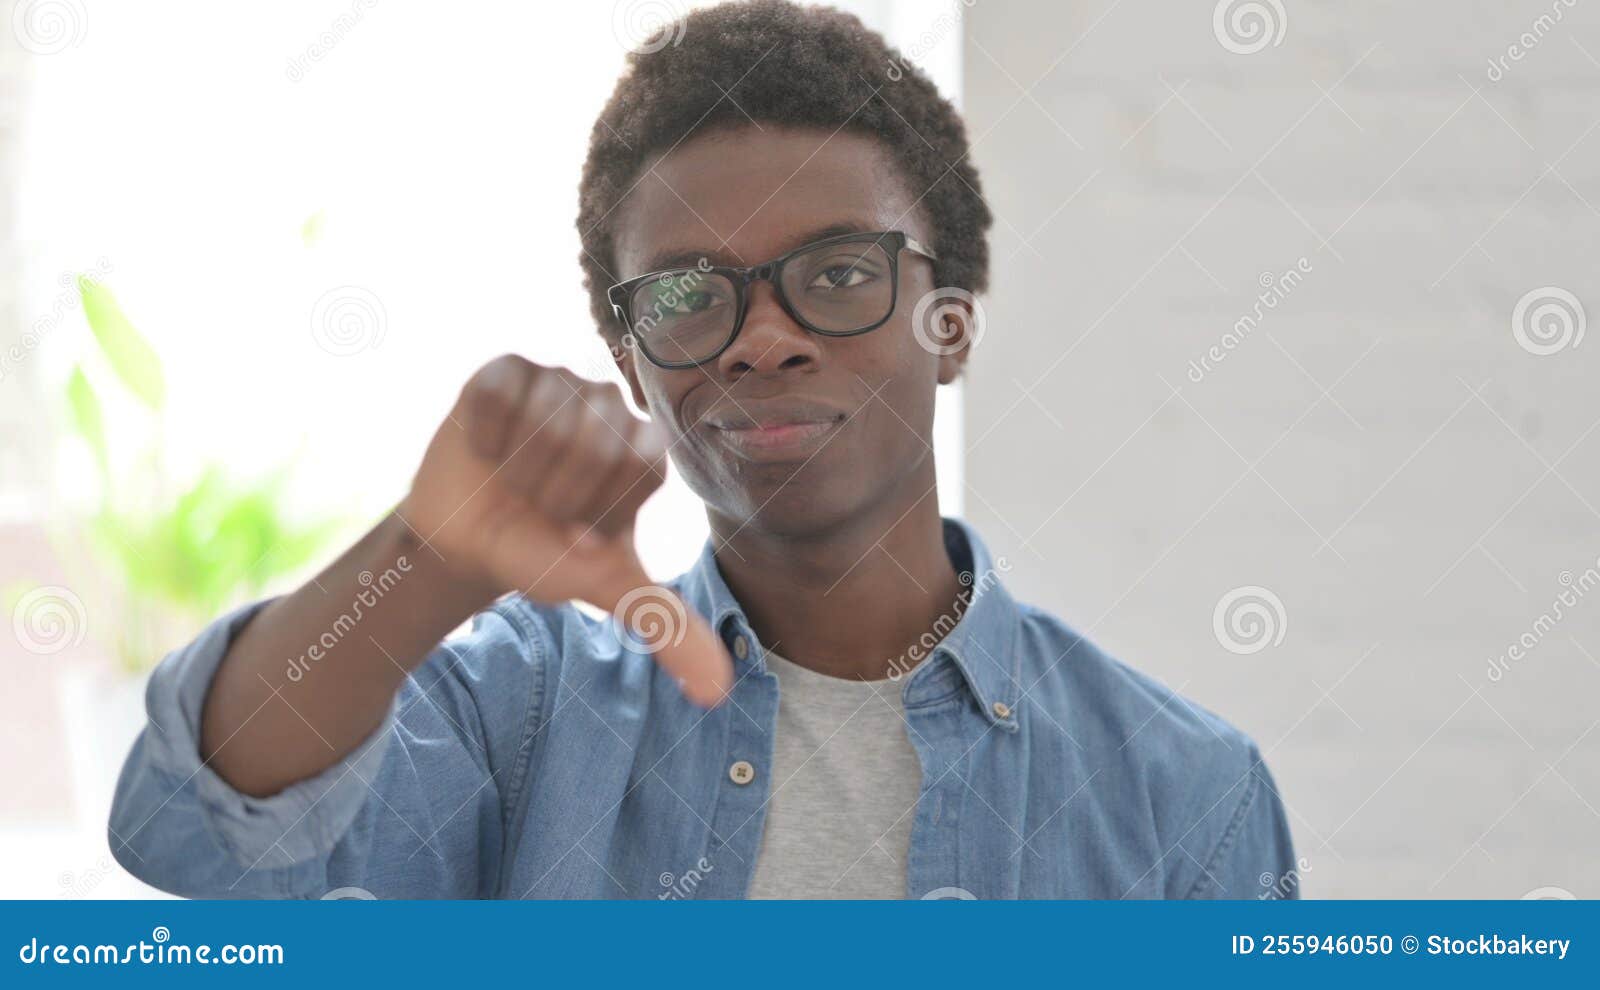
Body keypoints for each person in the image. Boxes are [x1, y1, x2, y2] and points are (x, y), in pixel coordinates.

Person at [108, 0, 1295, 899]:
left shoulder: (1182, 793)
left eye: (837, 272)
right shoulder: (518, 714)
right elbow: (189, 828)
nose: (762, 340)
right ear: (631, 361)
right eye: (685, 294)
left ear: (951, 324)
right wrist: (427, 558)